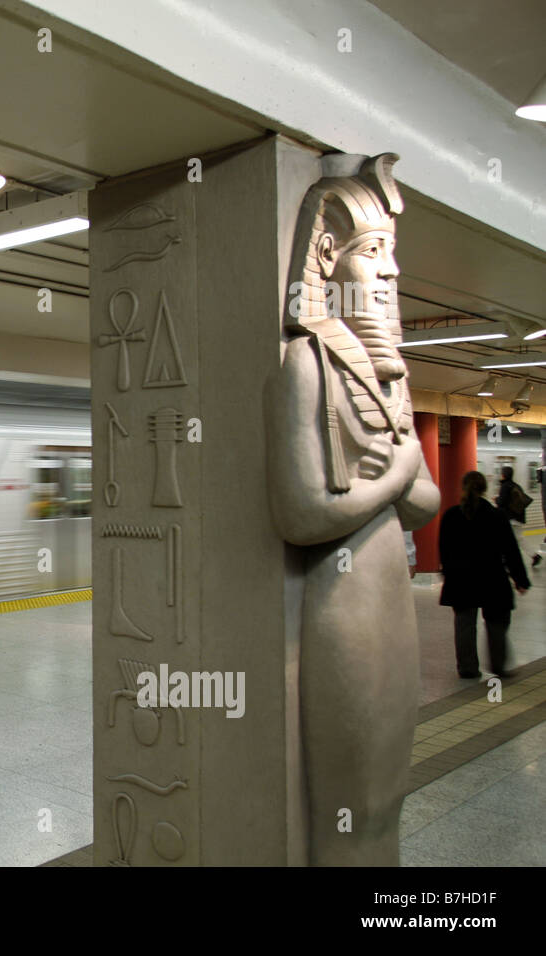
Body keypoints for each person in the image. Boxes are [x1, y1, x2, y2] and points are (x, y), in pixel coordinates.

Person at [267, 153, 440, 865]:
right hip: (341, 606)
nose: (392, 274)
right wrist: (395, 474)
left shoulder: (392, 383)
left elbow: (425, 500)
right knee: (353, 799)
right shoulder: (304, 366)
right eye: (375, 256)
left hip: (392, 603)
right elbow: (302, 513)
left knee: (391, 788)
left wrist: (398, 478)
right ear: (329, 258)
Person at [438, 470, 528, 679]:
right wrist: (520, 579)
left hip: (461, 579)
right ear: (485, 489)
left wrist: (448, 574)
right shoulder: (496, 516)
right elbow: (510, 550)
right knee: (497, 622)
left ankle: (467, 668)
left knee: (464, 624)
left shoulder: (451, 516)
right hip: (492, 579)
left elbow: (445, 550)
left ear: (464, 487)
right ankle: (498, 665)